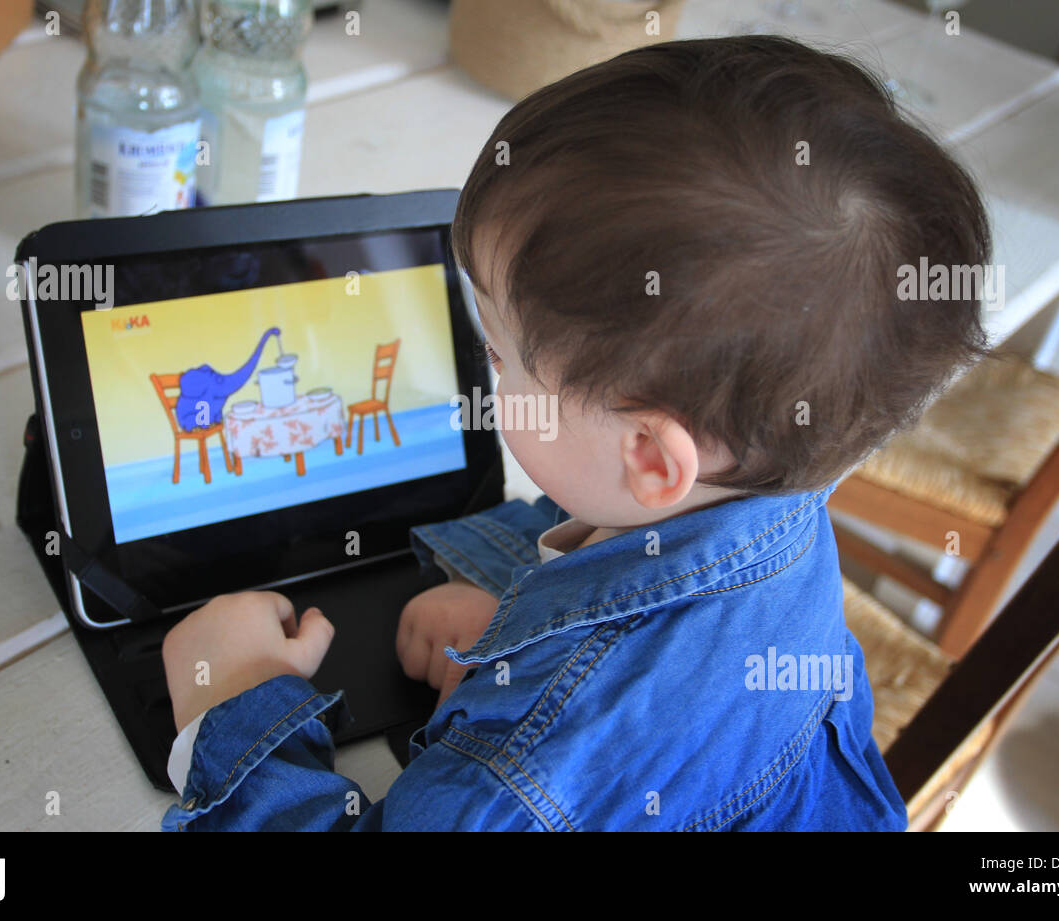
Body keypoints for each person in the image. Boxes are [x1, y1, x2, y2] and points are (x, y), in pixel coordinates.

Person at [159, 34, 991, 831]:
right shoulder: (780, 500)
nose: (485, 376)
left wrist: (234, 697)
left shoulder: (537, 763)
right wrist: (512, 615)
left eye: (499, 352)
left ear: (651, 458)